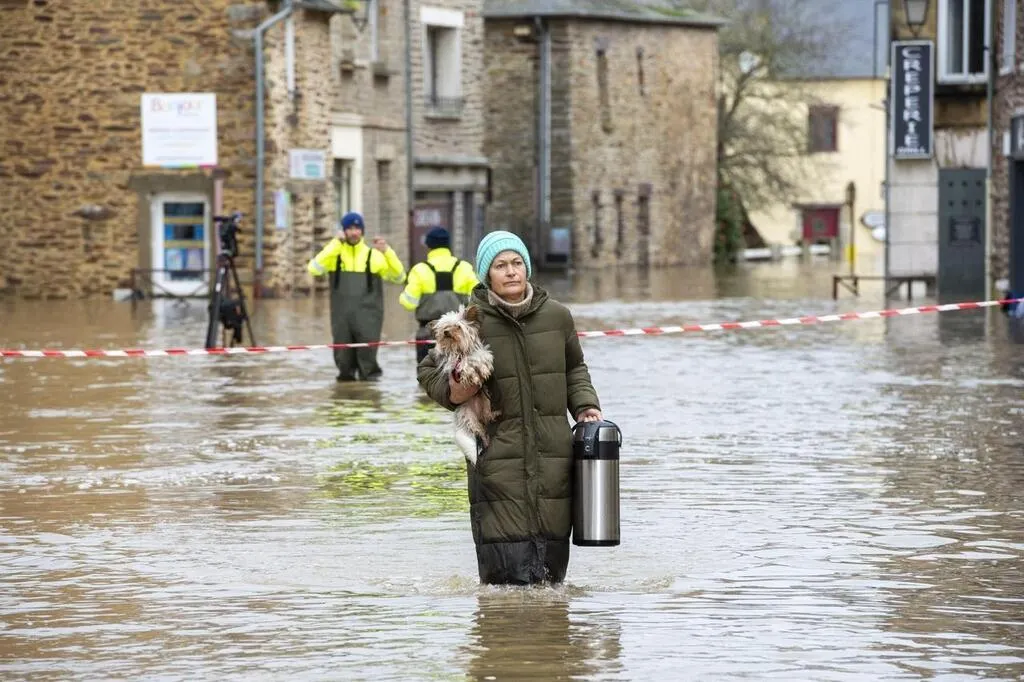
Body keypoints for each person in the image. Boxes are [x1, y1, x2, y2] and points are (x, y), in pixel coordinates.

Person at [417, 230, 603, 585]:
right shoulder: (471, 323)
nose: (511, 271)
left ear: (527, 268)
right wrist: (454, 393)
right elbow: (428, 370)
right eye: (500, 265)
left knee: (551, 585)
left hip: (553, 456)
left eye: (517, 263)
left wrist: (586, 407)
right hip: (496, 456)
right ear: (487, 274)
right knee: (504, 586)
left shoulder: (557, 316)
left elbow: (575, 367)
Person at [307, 211, 406, 381]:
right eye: (350, 228)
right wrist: (334, 244)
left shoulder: (373, 256)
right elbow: (314, 268)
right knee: (343, 362)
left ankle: (368, 398)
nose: (354, 232)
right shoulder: (334, 255)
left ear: (362, 231)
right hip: (341, 318)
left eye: (357, 228)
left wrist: (387, 251)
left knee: (368, 364)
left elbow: (399, 277)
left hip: (368, 318)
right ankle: (346, 398)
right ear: (343, 231)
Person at [399, 226, 479, 363]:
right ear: (448, 245)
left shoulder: (419, 270)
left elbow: (409, 303)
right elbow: (478, 299)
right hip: (458, 334)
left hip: (428, 333)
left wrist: (402, 296)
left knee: (428, 378)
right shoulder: (464, 268)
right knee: (458, 378)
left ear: (428, 246)